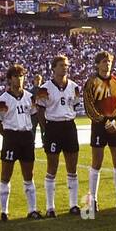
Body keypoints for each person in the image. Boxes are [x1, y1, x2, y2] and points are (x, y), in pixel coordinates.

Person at [34, 54, 81, 217]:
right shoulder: (45, 88)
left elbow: (74, 105)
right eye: (61, 65)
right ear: (53, 68)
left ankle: (74, 204)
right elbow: (40, 111)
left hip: (69, 127)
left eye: (66, 65)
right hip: (53, 127)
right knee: (52, 168)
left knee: (72, 168)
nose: (64, 67)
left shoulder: (74, 86)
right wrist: (46, 128)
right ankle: (50, 207)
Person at [84, 50, 116, 211]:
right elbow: (89, 107)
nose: (107, 64)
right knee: (96, 163)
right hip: (99, 126)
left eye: (109, 61)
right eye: (104, 61)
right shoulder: (91, 82)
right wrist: (105, 121)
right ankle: (93, 200)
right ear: (97, 64)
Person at [0, 63, 41, 220]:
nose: (19, 79)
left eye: (21, 76)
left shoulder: (29, 97)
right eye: (15, 76)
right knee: (6, 175)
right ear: (10, 79)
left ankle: (32, 209)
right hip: (11, 137)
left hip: (26, 137)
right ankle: (4, 211)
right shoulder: (2, 99)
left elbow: (34, 115)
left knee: (29, 175)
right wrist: (6, 136)